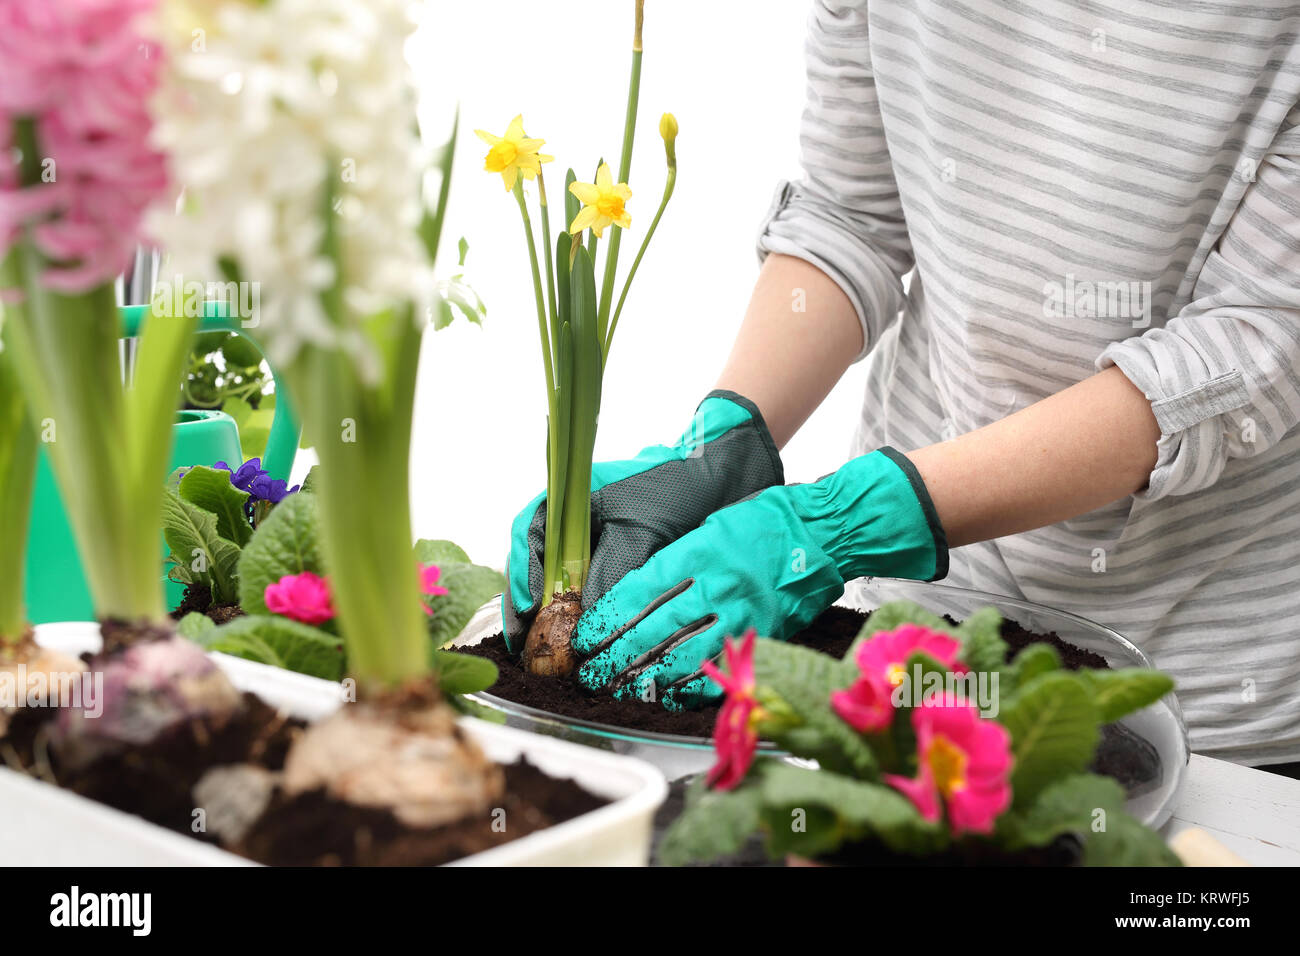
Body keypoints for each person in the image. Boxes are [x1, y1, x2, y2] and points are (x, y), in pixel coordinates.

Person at [505, 0, 1300, 770]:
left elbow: (1251, 346)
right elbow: (852, 216)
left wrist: (849, 519)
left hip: (1204, 687)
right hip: (913, 640)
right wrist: (723, 441)